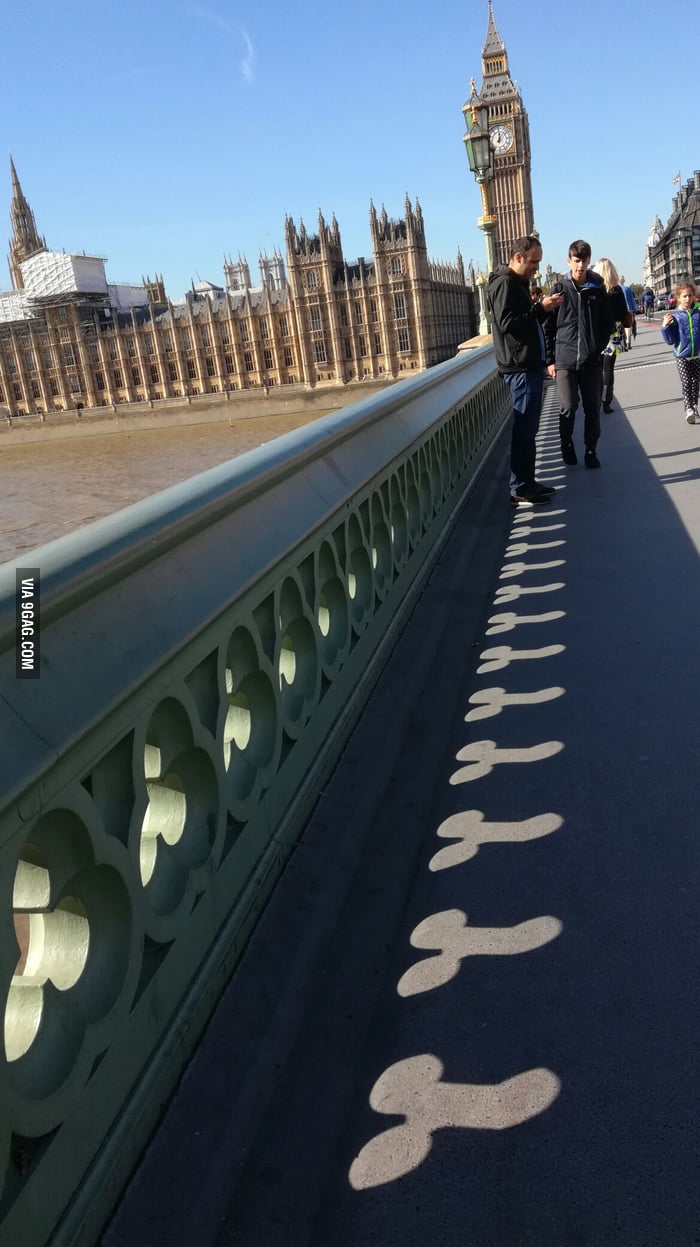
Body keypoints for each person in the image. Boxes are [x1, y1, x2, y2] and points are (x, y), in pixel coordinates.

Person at [488, 236, 564, 507]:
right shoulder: (504, 284)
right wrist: (538, 308)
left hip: (528, 364)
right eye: (534, 261)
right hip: (519, 367)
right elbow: (509, 325)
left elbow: (526, 323)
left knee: (529, 430)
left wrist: (544, 309)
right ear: (518, 257)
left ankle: (528, 483)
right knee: (524, 430)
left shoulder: (517, 283)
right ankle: (519, 488)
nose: (537, 268)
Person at [548, 239, 614, 469]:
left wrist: (596, 346)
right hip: (565, 359)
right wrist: (549, 360)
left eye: (584, 261)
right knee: (568, 407)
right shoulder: (559, 289)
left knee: (592, 408)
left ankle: (590, 450)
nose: (580, 266)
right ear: (569, 261)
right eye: (576, 261)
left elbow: (607, 323)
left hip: (590, 360)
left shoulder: (597, 289)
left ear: (589, 262)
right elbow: (547, 327)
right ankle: (566, 444)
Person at [592, 258, 632, 412]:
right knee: (609, 368)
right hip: (613, 333)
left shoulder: (594, 290)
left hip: (596, 333)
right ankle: (606, 401)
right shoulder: (617, 290)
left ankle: (594, 398)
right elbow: (623, 313)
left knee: (596, 367)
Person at [660, 282, 700, 424]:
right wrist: (665, 326)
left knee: (696, 382)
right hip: (682, 355)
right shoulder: (675, 316)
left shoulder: (698, 314)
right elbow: (670, 340)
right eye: (684, 296)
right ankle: (688, 409)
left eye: (690, 296)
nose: (688, 299)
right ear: (678, 298)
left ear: (694, 296)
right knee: (686, 382)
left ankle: (694, 406)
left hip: (696, 354)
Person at [618, 275, 636, 350]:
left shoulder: (616, 289)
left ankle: (623, 343)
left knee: (621, 326)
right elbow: (632, 300)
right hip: (629, 309)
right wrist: (634, 310)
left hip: (620, 309)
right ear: (623, 281)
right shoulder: (628, 289)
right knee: (628, 326)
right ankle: (629, 343)